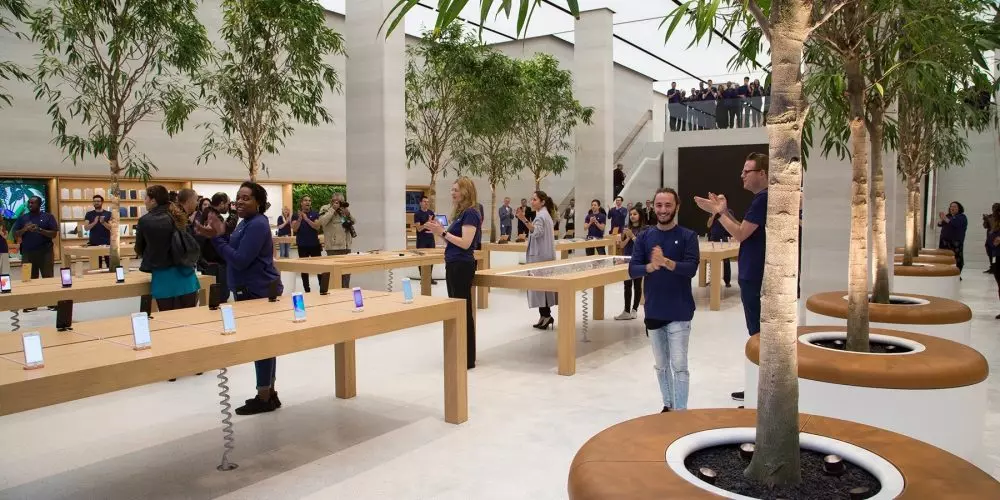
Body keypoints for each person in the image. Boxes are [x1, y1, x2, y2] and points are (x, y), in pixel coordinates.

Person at [196, 181, 283, 415]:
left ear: (259, 202)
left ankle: (264, 395)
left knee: (262, 343)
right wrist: (217, 235)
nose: (240, 202)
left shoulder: (256, 224)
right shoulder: (246, 223)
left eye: (246, 198)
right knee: (264, 343)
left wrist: (217, 239)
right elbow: (232, 249)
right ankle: (268, 393)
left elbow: (240, 259)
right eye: (238, 197)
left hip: (258, 291)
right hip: (251, 289)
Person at [694, 152, 769, 402]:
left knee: (759, 334)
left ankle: (761, 390)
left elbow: (739, 233)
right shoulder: (761, 200)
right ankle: (757, 387)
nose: (742, 176)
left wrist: (719, 213)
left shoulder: (762, 200)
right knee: (758, 333)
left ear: (762, 173)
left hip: (755, 274)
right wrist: (723, 211)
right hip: (754, 272)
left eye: (746, 171)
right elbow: (745, 229)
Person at [628, 188, 700, 412]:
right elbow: (632, 269)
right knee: (661, 366)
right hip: (654, 311)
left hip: (679, 312)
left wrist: (666, 262)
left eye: (668, 205)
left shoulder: (688, 236)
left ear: (676, 207)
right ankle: (668, 405)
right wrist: (651, 266)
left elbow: (691, 269)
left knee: (679, 367)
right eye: (659, 205)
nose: (663, 210)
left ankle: (680, 412)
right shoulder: (645, 237)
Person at [423, 177, 480, 369]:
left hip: (461, 266)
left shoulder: (471, 213)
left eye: (456, 189)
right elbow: (452, 241)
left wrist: (443, 232)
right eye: (452, 189)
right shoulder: (461, 213)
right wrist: (438, 232)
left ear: (465, 191)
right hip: (454, 264)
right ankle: (462, 354)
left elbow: (465, 243)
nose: (452, 193)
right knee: (457, 309)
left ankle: (467, 357)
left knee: (462, 310)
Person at [135, 185, 202, 311]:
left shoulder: (144, 221)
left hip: (162, 275)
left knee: (168, 320)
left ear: (153, 200)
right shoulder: (177, 215)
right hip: (185, 273)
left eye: (146, 198)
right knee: (190, 317)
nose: (145, 201)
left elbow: (139, 248)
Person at [519, 190, 557, 329]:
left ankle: (546, 315)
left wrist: (524, 220)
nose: (532, 201)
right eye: (532, 199)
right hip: (542, 255)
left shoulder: (541, 216)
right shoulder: (543, 214)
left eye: (534, 199)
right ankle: (544, 315)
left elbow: (537, 232)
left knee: (541, 288)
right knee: (542, 288)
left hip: (540, 257)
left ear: (542, 202)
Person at [13, 197, 58, 309]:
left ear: (39, 204)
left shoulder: (48, 217)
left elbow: (54, 234)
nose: (30, 204)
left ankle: (51, 303)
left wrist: (40, 230)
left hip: (45, 253)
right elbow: (16, 234)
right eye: (29, 203)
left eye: (33, 203)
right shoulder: (23, 218)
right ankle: (31, 304)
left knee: (48, 278)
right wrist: (25, 229)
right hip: (28, 253)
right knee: (28, 279)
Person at [318, 193, 355, 287]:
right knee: (333, 275)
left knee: (346, 275)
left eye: (341, 201)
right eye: (336, 201)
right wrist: (332, 210)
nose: (339, 204)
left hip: (346, 247)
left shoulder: (343, 210)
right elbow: (322, 222)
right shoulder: (325, 208)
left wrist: (348, 213)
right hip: (333, 248)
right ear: (332, 200)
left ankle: (345, 294)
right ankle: (333, 295)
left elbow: (353, 221)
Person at [616, 207, 646, 320]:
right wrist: (627, 237)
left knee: (637, 285)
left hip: (638, 260)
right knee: (627, 285)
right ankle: (626, 310)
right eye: (631, 214)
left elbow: (642, 245)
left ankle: (634, 309)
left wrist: (632, 236)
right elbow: (622, 246)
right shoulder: (626, 229)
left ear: (640, 216)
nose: (632, 216)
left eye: (635, 214)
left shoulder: (644, 229)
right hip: (627, 259)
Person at [291, 196, 322, 292]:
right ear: (301, 203)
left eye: (309, 200)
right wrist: (300, 219)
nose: (308, 202)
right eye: (305, 200)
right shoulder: (296, 215)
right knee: (304, 268)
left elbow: (317, 227)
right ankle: (307, 290)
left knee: (319, 268)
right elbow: (294, 228)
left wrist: (307, 219)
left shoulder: (315, 213)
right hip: (302, 245)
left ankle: (322, 288)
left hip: (314, 245)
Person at [413, 195, 438, 284]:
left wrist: (433, 223)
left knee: (431, 259)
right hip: (421, 240)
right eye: (424, 202)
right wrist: (427, 223)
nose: (426, 203)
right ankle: (423, 278)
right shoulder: (417, 214)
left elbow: (434, 226)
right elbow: (419, 228)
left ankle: (429, 278)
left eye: (428, 202)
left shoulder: (431, 213)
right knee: (421, 259)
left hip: (430, 239)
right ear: (420, 203)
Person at [707, 210, 735, 288]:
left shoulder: (728, 211)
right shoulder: (712, 212)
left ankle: (727, 281)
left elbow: (732, 224)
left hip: (724, 238)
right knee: (713, 260)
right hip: (713, 238)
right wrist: (713, 215)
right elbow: (708, 225)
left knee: (726, 260)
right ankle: (712, 280)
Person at [937, 201, 968, 274]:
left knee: (956, 258)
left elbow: (955, 224)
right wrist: (942, 219)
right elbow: (939, 224)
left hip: (955, 243)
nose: (952, 208)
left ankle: (956, 273)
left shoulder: (962, 217)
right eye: (951, 206)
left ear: (959, 208)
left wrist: (945, 218)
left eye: (954, 206)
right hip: (944, 242)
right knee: (944, 258)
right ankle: (944, 272)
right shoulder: (948, 216)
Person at [84, 195, 113, 268]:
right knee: (96, 266)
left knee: (110, 264)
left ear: (102, 202)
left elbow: (111, 228)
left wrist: (103, 223)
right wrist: (94, 222)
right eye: (95, 201)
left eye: (98, 201)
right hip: (94, 242)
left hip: (107, 242)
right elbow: (86, 228)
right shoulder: (89, 214)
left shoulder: (108, 214)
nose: (96, 203)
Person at [985, 203, 1000, 273]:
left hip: (996, 238)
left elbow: (996, 228)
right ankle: (992, 267)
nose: (994, 209)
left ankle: (995, 267)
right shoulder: (990, 216)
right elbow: (985, 226)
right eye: (993, 207)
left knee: (995, 254)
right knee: (990, 253)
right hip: (989, 238)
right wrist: (985, 220)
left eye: (996, 208)